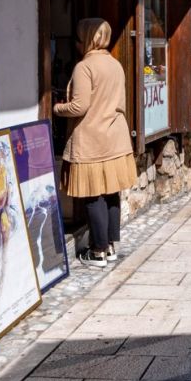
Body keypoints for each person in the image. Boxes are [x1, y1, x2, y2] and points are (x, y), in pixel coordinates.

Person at [53, 17, 139, 267]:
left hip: (92, 138)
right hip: (116, 136)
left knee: (92, 194)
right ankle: (111, 245)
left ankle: (98, 250)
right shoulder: (115, 64)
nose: (77, 43)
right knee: (111, 192)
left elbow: (80, 106)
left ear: (87, 38)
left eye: (80, 38)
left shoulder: (84, 67)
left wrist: (56, 108)